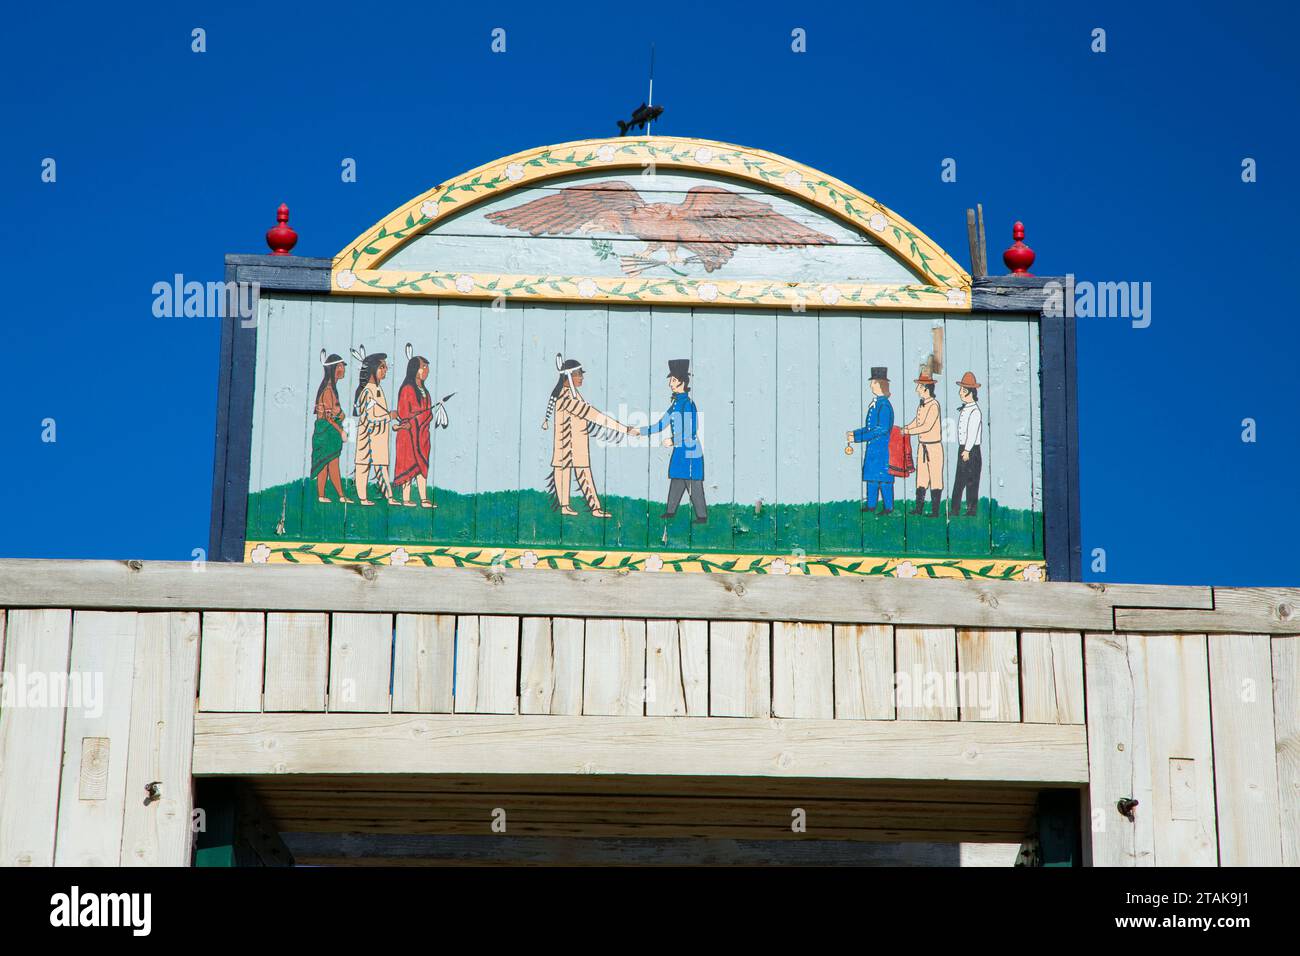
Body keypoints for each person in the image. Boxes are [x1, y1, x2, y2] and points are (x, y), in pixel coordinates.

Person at [543, 355, 636, 517]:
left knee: (583, 474)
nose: (582, 377)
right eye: (579, 374)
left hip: (577, 444)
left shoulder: (573, 395)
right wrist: (624, 429)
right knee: (563, 471)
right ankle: (565, 506)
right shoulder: (566, 397)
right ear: (569, 377)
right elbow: (592, 414)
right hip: (566, 444)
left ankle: (595, 508)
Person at [639, 359, 706, 523]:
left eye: (674, 380)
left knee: (693, 483)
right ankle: (670, 511)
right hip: (680, 450)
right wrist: (639, 431)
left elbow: (691, 429)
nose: (670, 384)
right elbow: (661, 424)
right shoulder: (676, 404)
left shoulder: (688, 404)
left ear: (682, 382)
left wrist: (673, 440)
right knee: (677, 479)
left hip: (690, 450)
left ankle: (702, 516)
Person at [351, 349, 403, 506]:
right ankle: (362, 498)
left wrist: (391, 422)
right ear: (373, 370)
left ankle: (389, 497)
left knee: (382, 468)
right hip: (368, 437)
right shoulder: (368, 391)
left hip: (379, 437)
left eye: (385, 367)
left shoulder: (378, 389)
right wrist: (390, 416)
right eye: (382, 367)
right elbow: (372, 417)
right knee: (363, 467)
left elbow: (379, 413)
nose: (385, 370)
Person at [847, 367, 895, 514]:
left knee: (884, 480)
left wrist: (857, 438)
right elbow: (869, 428)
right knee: (872, 478)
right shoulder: (876, 404)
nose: (871, 385)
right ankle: (871, 505)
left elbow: (881, 429)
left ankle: (888, 507)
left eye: (873, 383)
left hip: (883, 449)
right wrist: (854, 434)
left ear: (880, 385)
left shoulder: (884, 405)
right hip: (874, 448)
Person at [394, 348, 435, 508]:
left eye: (426, 367)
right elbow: (404, 413)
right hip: (409, 435)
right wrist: (418, 417)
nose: (426, 370)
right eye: (423, 366)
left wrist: (423, 416)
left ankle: (424, 499)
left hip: (422, 434)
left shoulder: (425, 391)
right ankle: (406, 498)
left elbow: (428, 412)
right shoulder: (407, 389)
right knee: (409, 466)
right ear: (415, 370)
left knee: (421, 466)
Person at [311, 351, 352, 503]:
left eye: (343, 366)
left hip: (330, 432)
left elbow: (336, 412)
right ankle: (333, 495)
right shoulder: (328, 390)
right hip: (327, 431)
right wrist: (341, 430)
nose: (343, 370)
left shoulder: (332, 389)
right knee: (327, 463)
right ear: (333, 369)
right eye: (340, 366)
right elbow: (328, 416)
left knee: (330, 463)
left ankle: (334, 495)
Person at [902, 370, 944, 517]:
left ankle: (935, 511)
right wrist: (906, 428)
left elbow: (926, 426)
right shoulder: (922, 405)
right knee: (922, 478)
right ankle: (918, 508)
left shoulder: (934, 405)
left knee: (935, 478)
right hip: (923, 446)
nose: (917, 390)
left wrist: (908, 432)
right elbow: (917, 421)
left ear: (926, 388)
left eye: (919, 387)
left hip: (933, 446)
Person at [951, 371, 983, 517]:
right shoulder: (966, 409)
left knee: (971, 481)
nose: (960, 393)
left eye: (963, 390)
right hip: (963, 448)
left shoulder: (975, 411)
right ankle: (955, 509)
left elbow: (972, 433)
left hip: (972, 450)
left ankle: (971, 509)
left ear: (971, 392)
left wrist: (967, 450)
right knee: (959, 481)